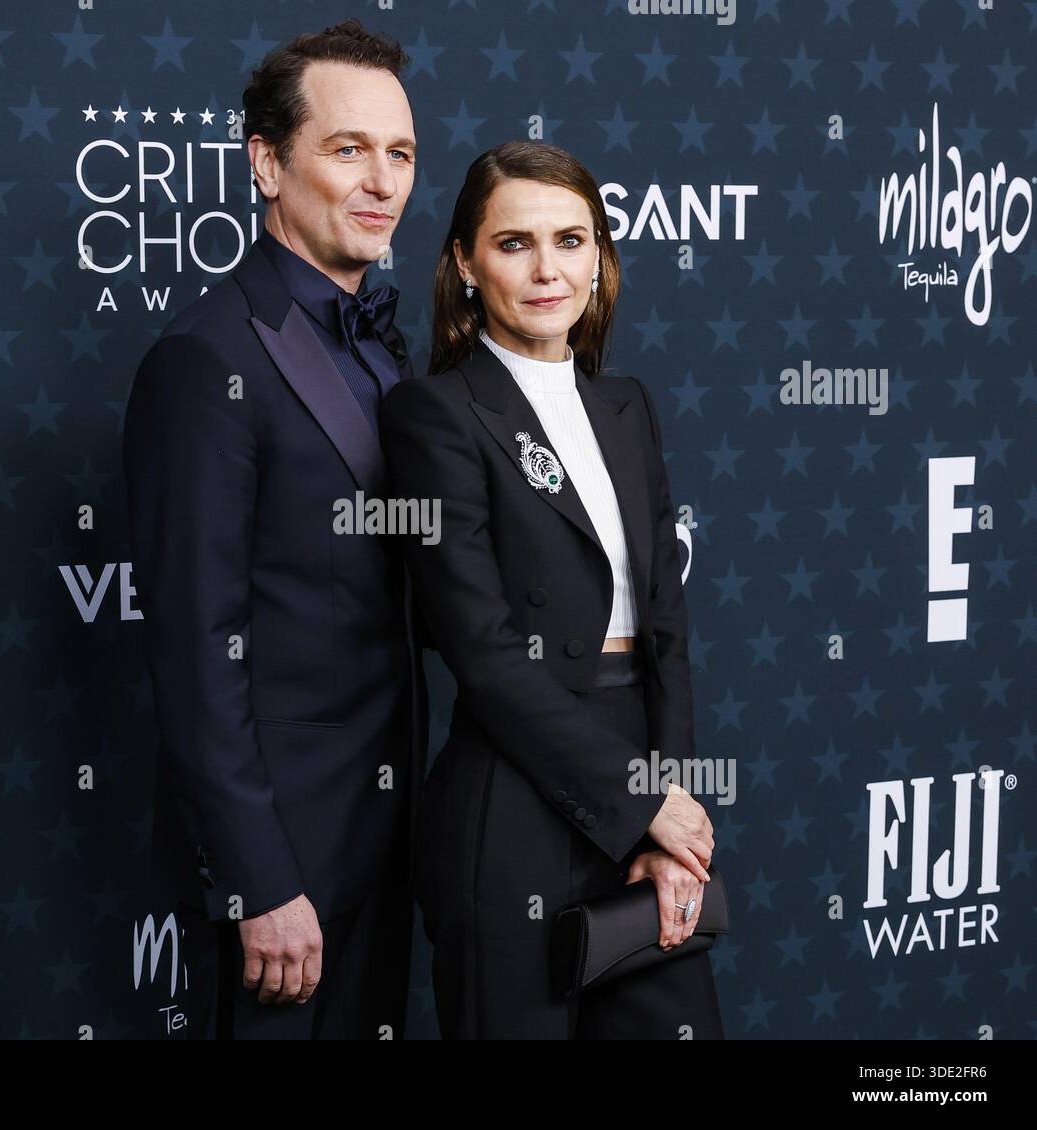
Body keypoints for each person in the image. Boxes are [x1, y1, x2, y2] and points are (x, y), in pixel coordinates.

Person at [380, 140, 725, 1039]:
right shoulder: (434, 414)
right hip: (512, 800)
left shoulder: (627, 407)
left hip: (642, 781)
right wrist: (643, 800)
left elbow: (667, 636)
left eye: (571, 241)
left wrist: (665, 815)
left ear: (601, 259)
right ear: (463, 261)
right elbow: (485, 659)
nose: (547, 271)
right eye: (513, 243)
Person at [122, 20, 425, 1040]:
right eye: (347, 149)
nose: (380, 181)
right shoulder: (205, 359)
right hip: (285, 864)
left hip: (389, 842)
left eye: (400, 154)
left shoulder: (389, 349)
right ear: (266, 162)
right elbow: (195, 649)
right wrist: (255, 879)